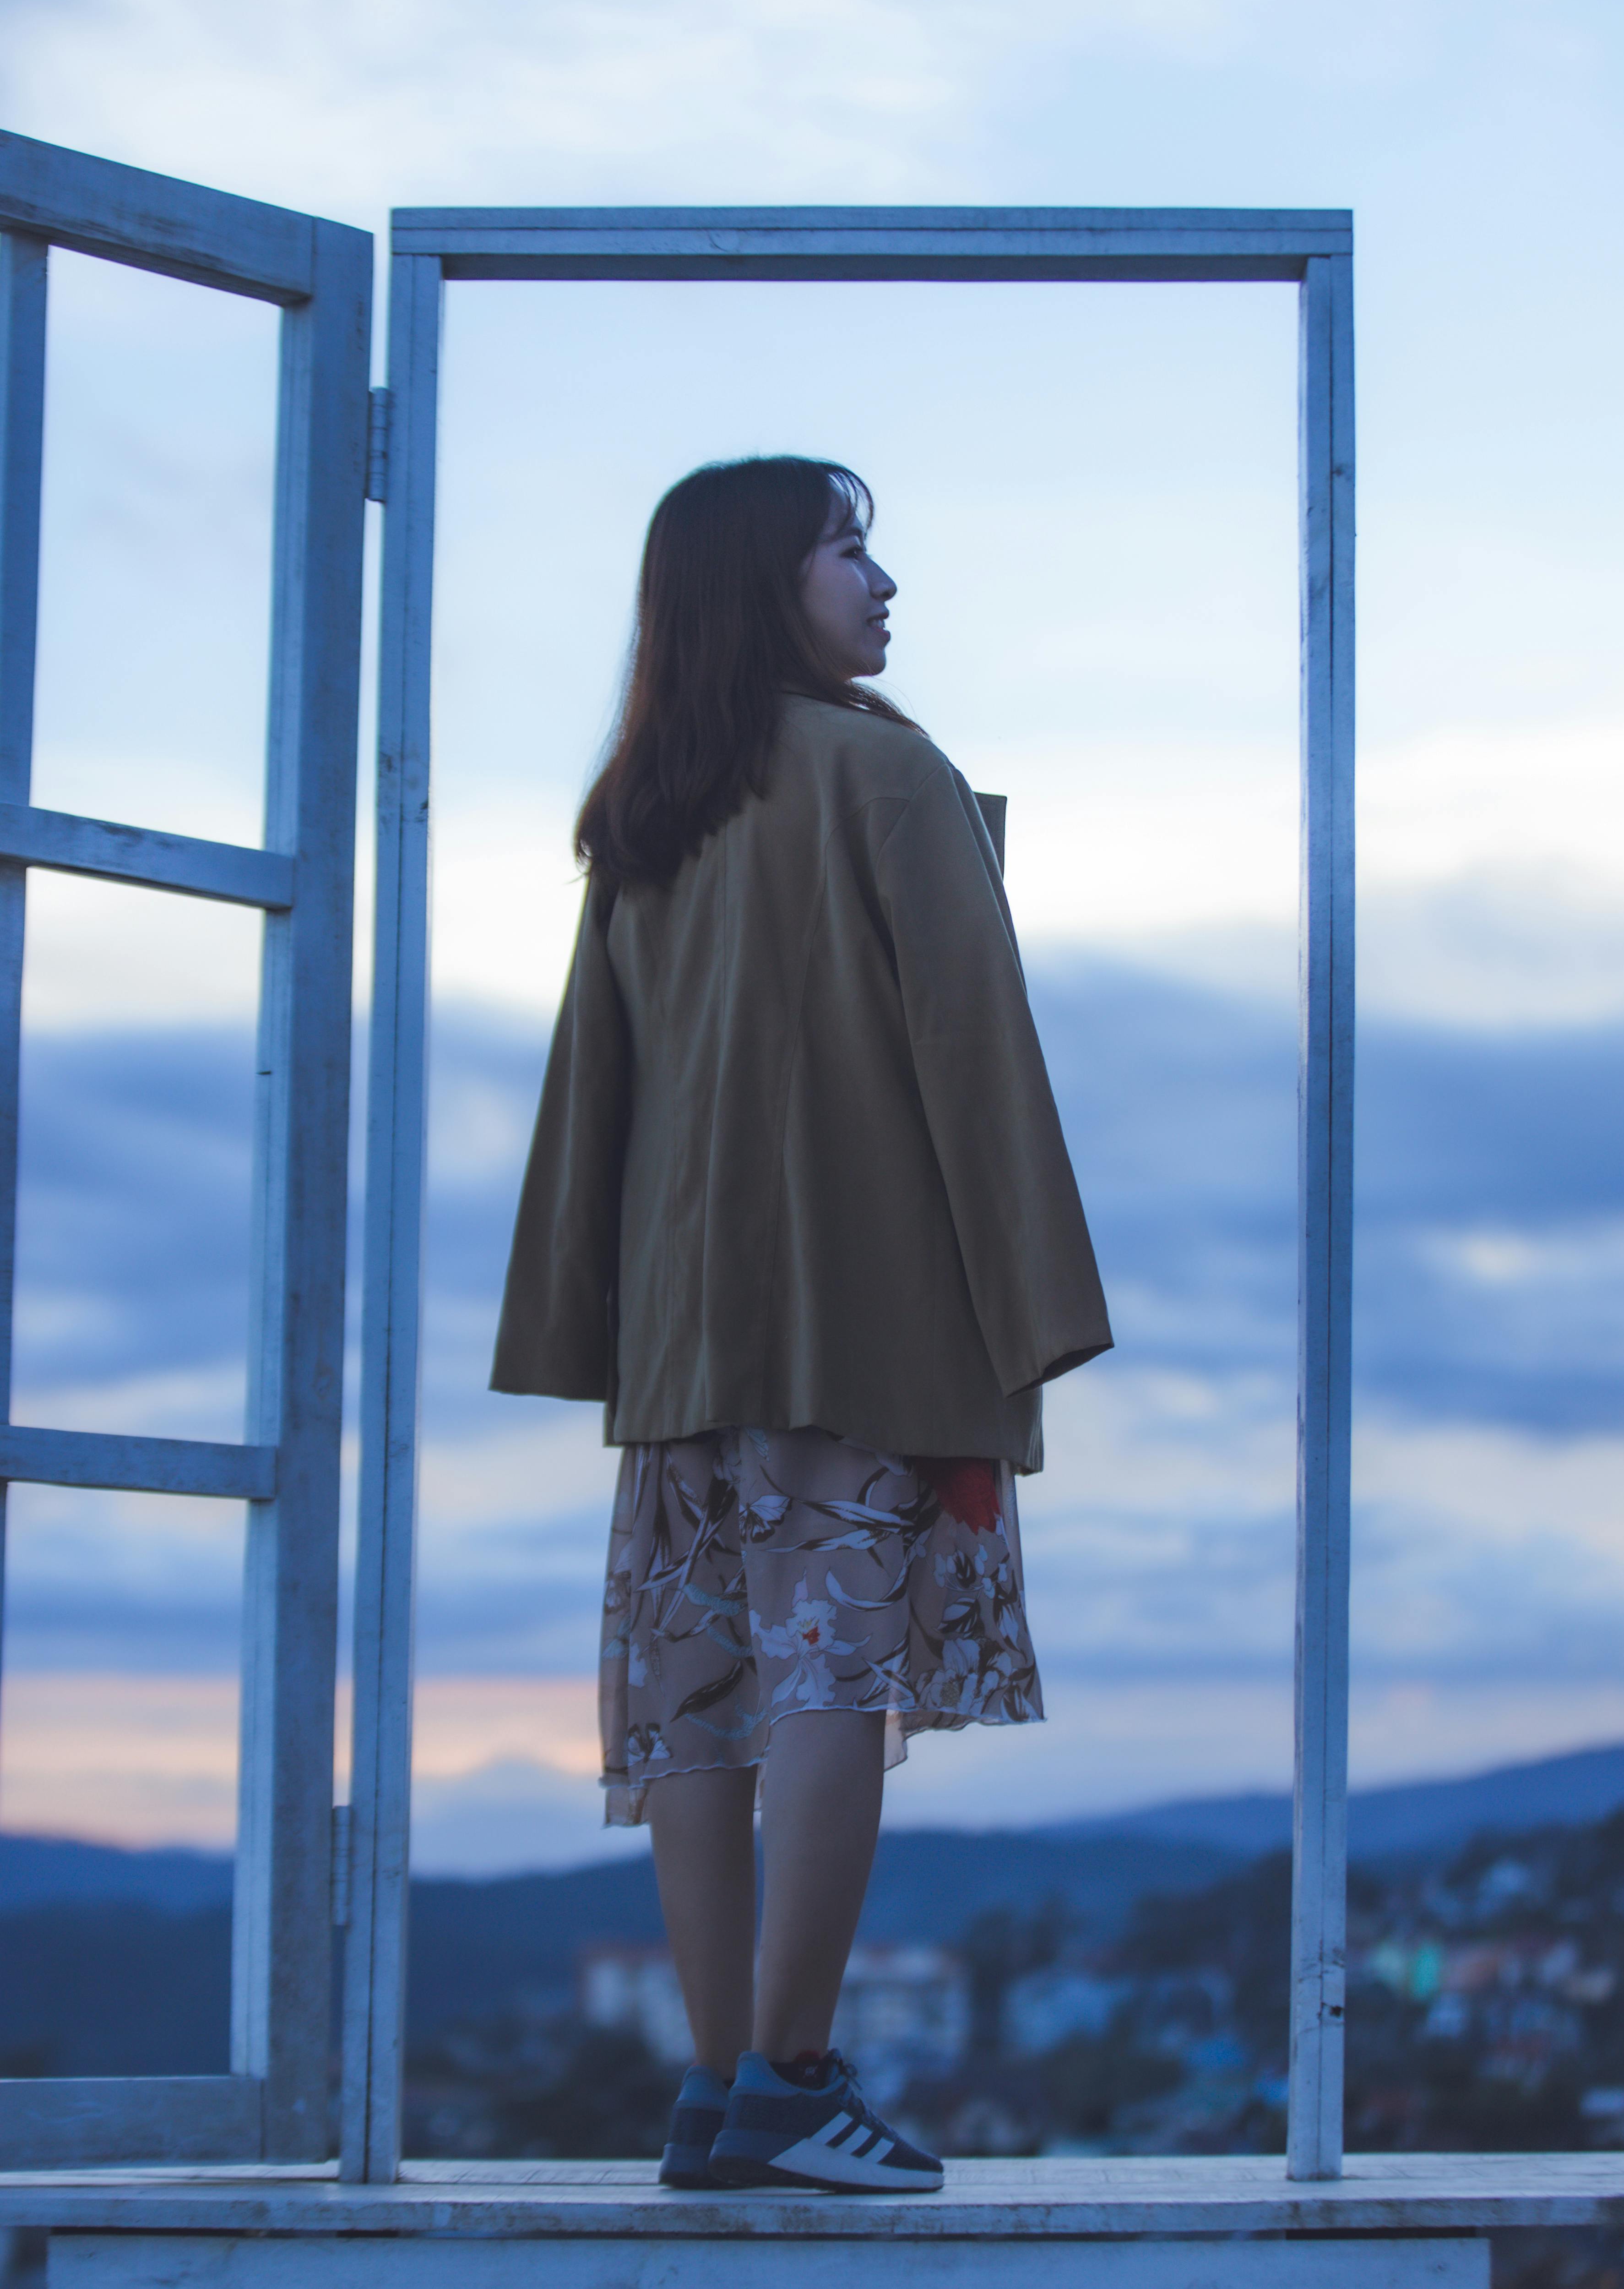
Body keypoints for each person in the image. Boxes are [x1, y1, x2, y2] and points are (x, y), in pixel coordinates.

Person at [491, 455, 1111, 2191]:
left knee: (700, 1699)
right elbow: (975, 1051)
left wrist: (582, 1323)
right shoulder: (886, 774)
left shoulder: (648, 813)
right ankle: (794, 2080)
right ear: (766, 585)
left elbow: (590, 1092)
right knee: (835, 1680)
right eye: (849, 550)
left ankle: (715, 2086)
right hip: (865, 1320)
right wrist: (1030, 1312)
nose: (882, 583)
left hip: (681, 1341)